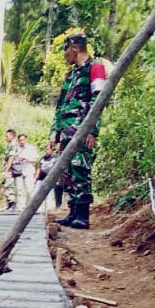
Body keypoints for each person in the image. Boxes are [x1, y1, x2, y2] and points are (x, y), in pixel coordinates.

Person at [49, 33, 106, 229]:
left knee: (81, 169)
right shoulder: (71, 75)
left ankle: (83, 215)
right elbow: (60, 106)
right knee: (67, 173)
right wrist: (54, 133)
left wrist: (92, 130)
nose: (65, 55)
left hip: (82, 131)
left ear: (74, 48)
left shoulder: (95, 68)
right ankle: (73, 212)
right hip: (66, 132)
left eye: (65, 50)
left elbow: (99, 100)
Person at [13, 133, 40, 209]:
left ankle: (30, 206)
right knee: (19, 190)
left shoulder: (31, 148)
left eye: (23, 140)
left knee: (30, 189)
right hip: (18, 171)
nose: (22, 141)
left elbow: (36, 159)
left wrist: (28, 159)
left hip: (29, 170)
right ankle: (20, 207)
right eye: (20, 140)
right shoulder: (16, 149)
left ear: (26, 139)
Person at [2, 129, 20, 211]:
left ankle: (12, 204)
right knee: (7, 186)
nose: (6, 138)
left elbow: (11, 158)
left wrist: (6, 170)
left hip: (11, 169)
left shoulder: (13, 145)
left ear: (12, 136)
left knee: (9, 185)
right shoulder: (9, 145)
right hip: (7, 168)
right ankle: (9, 203)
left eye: (7, 136)